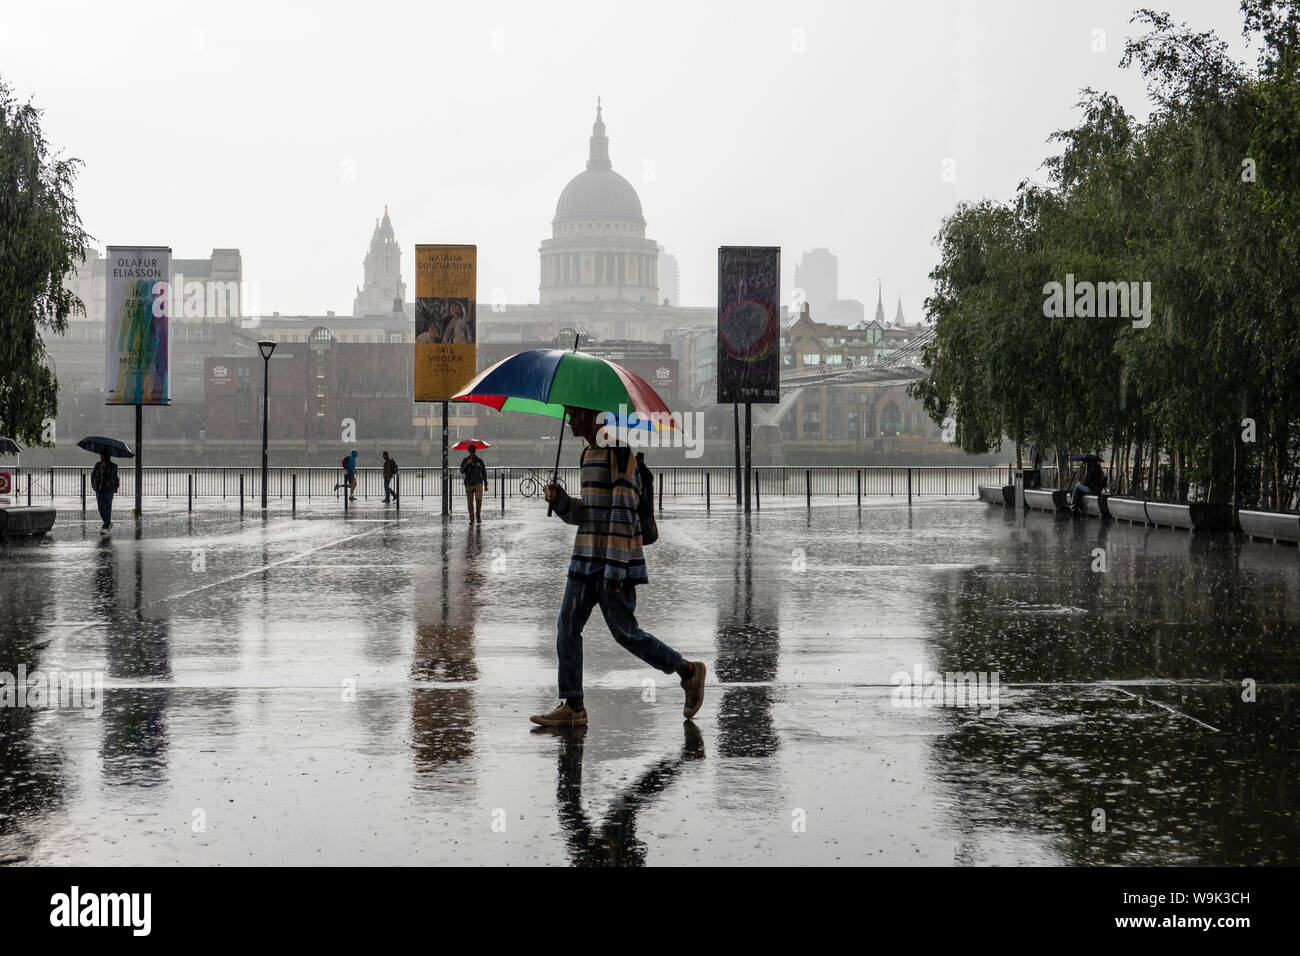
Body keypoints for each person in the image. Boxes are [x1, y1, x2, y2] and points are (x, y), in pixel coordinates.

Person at [533, 406, 706, 728]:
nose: (569, 420)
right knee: (566, 629)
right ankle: (573, 705)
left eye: (573, 414)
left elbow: (624, 513)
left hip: (612, 564)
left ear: (591, 416)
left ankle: (688, 671)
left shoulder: (620, 454)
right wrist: (561, 502)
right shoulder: (588, 454)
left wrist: (615, 570)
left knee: (626, 634)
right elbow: (589, 514)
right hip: (584, 560)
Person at [90, 450, 119, 534]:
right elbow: (93, 476)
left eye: (104, 456)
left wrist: (105, 469)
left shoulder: (113, 466)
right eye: (101, 456)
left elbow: (113, 477)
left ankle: (106, 524)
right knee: (100, 507)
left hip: (109, 489)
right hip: (99, 489)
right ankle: (108, 523)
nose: (102, 457)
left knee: (107, 506)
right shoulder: (97, 465)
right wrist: (94, 485)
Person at [459, 445, 487, 522]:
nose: (472, 451)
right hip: (468, 483)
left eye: (473, 450)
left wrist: (486, 483)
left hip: (478, 483)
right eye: (471, 450)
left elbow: (484, 472)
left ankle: (478, 515)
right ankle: (471, 517)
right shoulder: (465, 460)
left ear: (475, 451)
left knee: (479, 500)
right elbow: (462, 471)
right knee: (470, 502)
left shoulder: (479, 461)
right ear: (469, 451)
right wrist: (467, 464)